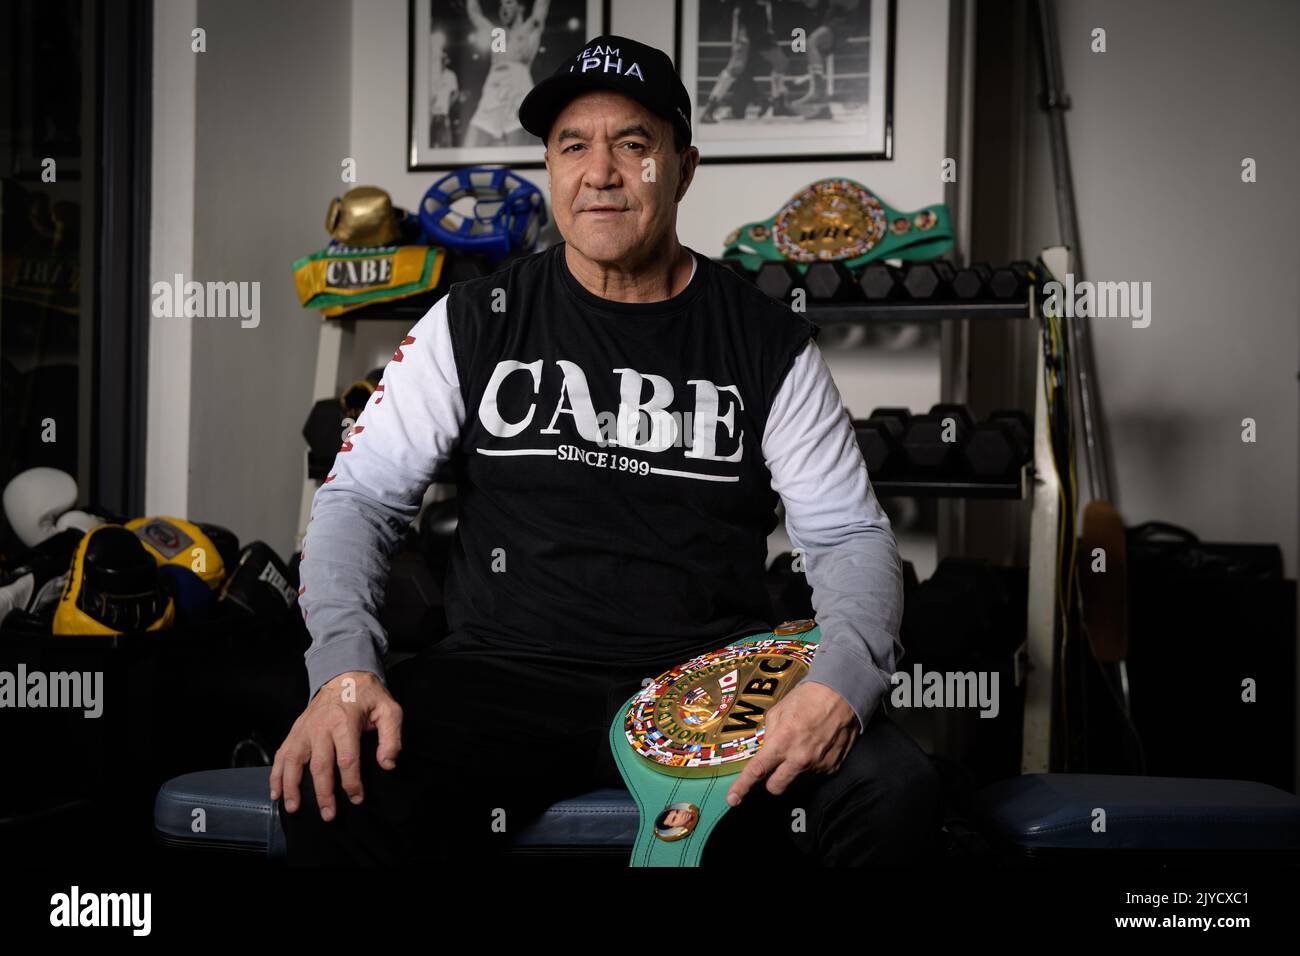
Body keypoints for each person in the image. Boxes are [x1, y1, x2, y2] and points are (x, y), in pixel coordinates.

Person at [273, 33, 942, 867]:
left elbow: (848, 538)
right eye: (573, 146)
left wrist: (841, 680)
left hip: (712, 687)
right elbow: (357, 501)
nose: (601, 173)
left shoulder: (767, 341)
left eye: (633, 145)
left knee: (892, 793)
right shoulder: (474, 319)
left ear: (683, 167)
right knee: (336, 789)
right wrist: (344, 670)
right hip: (503, 676)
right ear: (551, 168)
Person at [463, 0, 550, 147]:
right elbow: (475, 14)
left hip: (517, 93)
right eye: (501, 4)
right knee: (469, 151)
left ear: (521, 7)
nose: (503, 8)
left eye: (509, 2)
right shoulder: (498, 35)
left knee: (516, 156)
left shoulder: (529, 29)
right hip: (492, 95)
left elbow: (541, 5)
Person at [698, 0, 795, 123]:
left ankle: (778, 105)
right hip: (748, 20)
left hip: (760, 23)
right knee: (736, 67)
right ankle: (709, 109)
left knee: (781, 63)